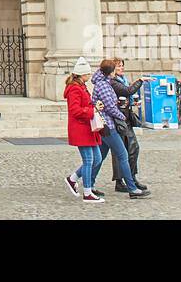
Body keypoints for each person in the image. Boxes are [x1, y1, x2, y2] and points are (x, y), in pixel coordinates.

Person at [91, 59, 150, 198]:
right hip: (109, 126)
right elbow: (110, 108)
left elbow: (110, 102)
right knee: (123, 155)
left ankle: (84, 181)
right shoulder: (104, 85)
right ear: (110, 72)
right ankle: (132, 188)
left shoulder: (104, 83)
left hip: (106, 125)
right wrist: (121, 116)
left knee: (100, 157)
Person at [63, 57, 105, 203]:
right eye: (87, 74)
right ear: (81, 75)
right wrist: (92, 110)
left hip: (87, 127)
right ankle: (87, 192)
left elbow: (84, 104)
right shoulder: (75, 88)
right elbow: (75, 110)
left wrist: (95, 106)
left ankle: (72, 179)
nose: (89, 76)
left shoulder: (81, 86)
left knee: (97, 159)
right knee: (89, 160)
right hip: (81, 128)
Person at [108, 59, 146, 193]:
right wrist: (140, 80)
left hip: (125, 118)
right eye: (119, 66)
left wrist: (133, 103)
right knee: (124, 150)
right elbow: (128, 91)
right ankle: (124, 181)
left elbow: (127, 94)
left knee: (131, 149)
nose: (122, 68)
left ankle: (130, 178)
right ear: (113, 68)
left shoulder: (122, 80)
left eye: (123, 66)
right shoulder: (113, 82)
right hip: (119, 120)